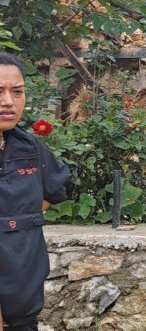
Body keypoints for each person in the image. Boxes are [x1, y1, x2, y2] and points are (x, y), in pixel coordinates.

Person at [0, 53, 70, 331]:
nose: (8, 101)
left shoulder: (29, 148)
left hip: (24, 308)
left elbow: (53, 190)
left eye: (17, 92)